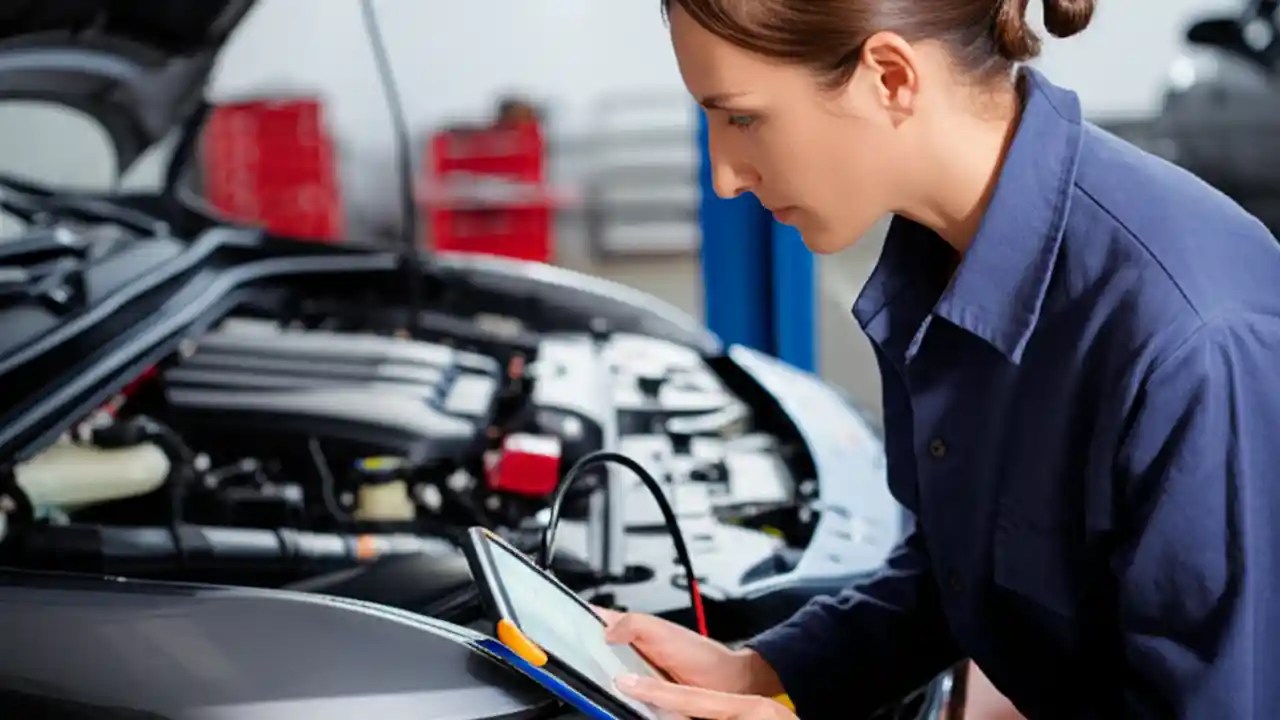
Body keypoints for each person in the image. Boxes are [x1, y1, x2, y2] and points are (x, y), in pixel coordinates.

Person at [603, 0, 1280, 718]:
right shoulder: (944, 253)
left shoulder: (1189, 345)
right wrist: (763, 670)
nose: (725, 177)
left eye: (741, 117)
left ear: (891, 77)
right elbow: (960, 576)